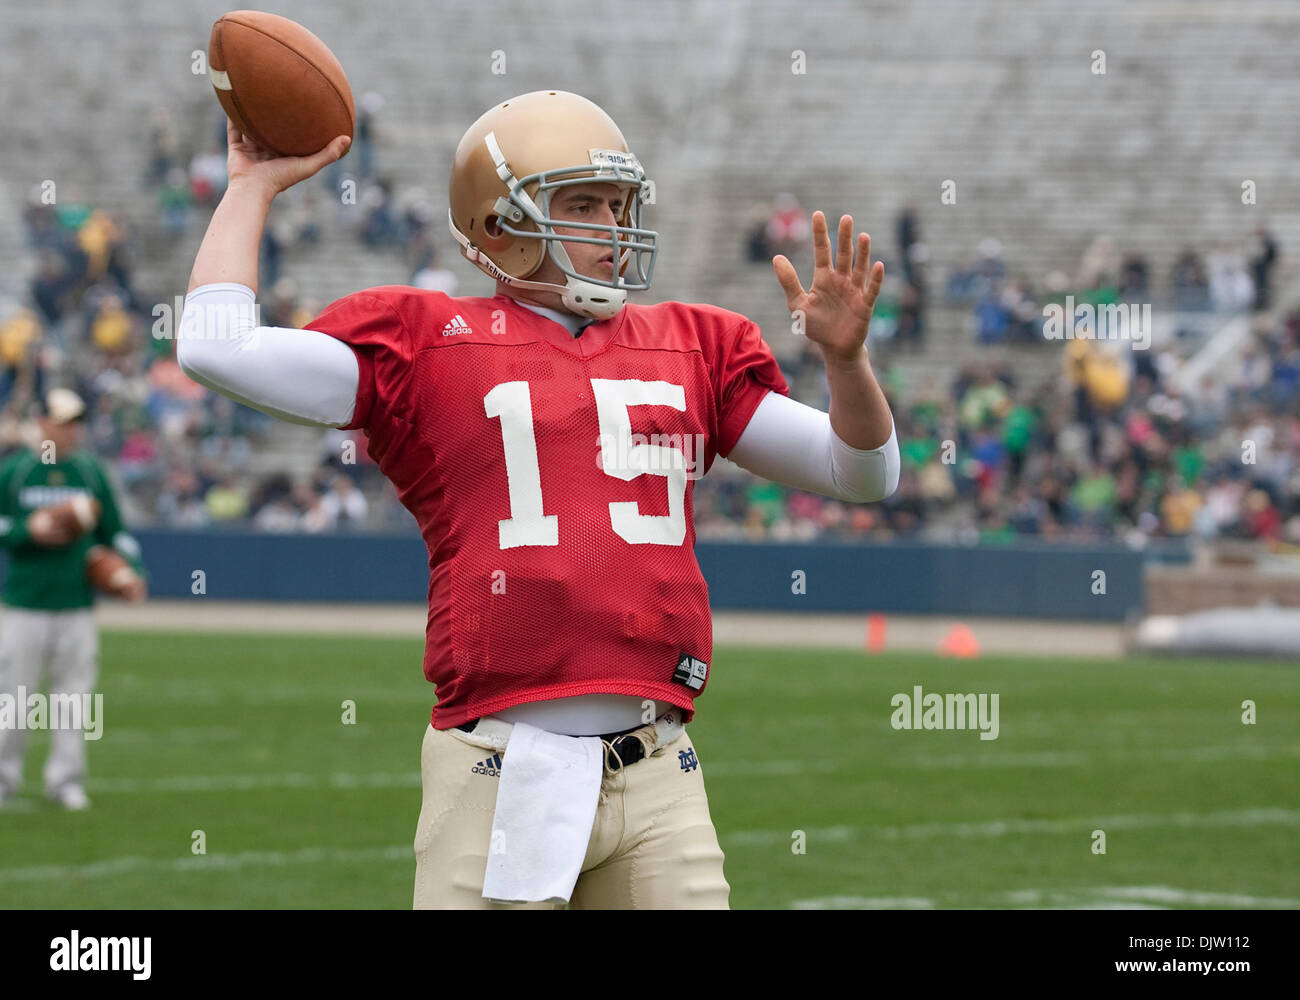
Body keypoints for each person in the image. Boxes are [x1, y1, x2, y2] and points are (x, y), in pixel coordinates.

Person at [178, 91, 900, 909]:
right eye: (583, 206)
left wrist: (847, 365)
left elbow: (861, 473)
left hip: (657, 766)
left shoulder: (694, 345)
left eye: (618, 204)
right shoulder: (425, 342)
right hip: (499, 766)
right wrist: (251, 186)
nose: (612, 226)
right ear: (500, 226)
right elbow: (216, 347)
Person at [0, 388, 146, 810]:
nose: (70, 431)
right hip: (25, 602)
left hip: (76, 603)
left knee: (74, 699)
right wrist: (28, 530)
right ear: (42, 423)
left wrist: (133, 572)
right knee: (13, 697)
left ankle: (66, 780)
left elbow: (116, 534)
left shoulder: (91, 472)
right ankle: (4, 778)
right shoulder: (16, 471)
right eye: (63, 422)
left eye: (75, 423)